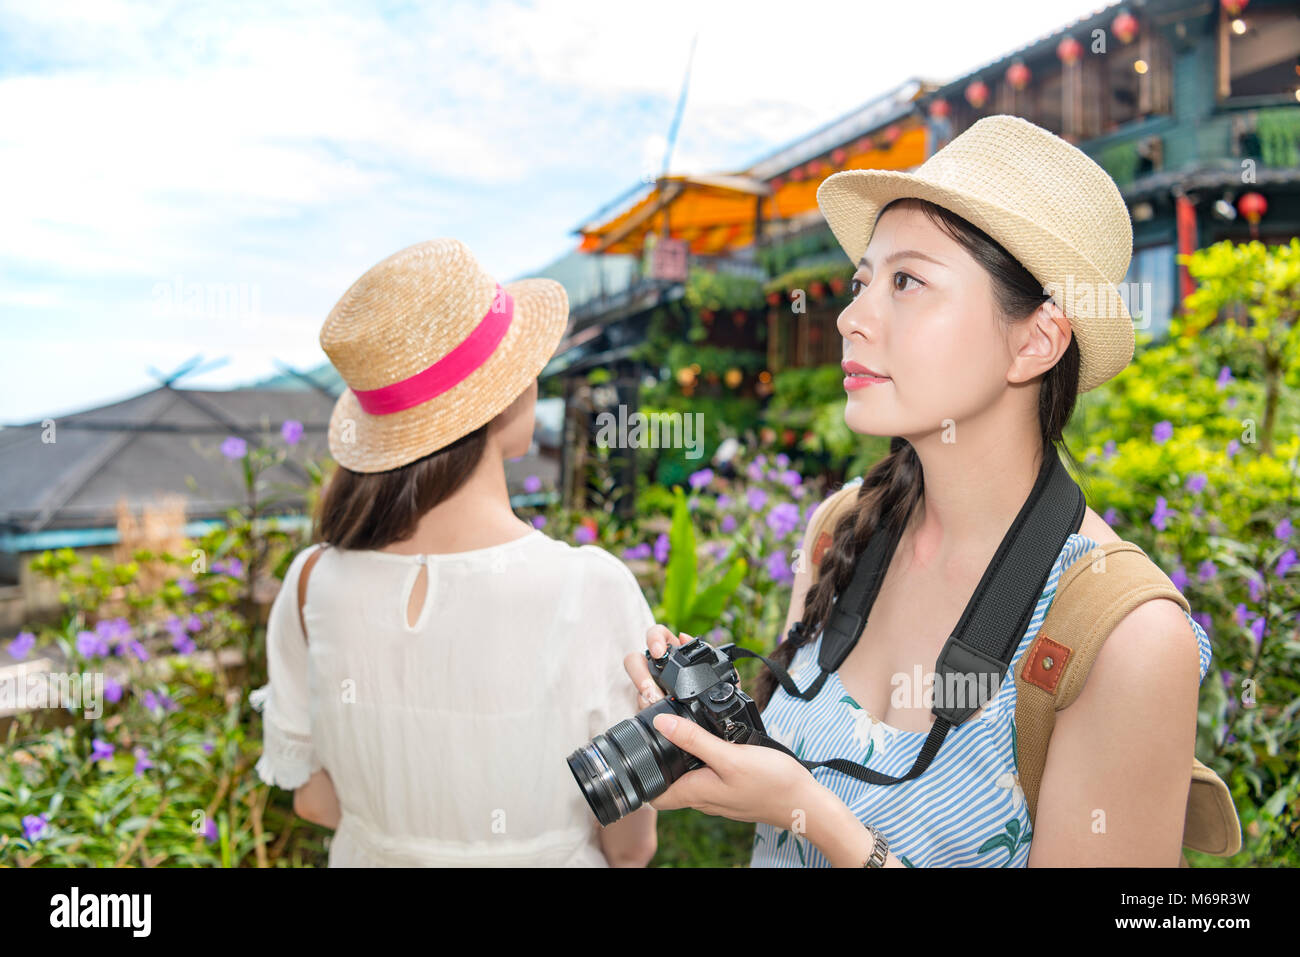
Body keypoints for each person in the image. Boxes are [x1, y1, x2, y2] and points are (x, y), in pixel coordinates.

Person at [624, 115, 1212, 867]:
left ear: (1036, 340)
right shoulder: (842, 529)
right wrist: (709, 718)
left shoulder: (1123, 634)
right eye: (864, 280)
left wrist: (820, 822)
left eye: (908, 281)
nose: (850, 317)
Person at [252, 238, 657, 866]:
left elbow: (314, 803)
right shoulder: (587, 587)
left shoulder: (310, 582)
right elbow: (630, 846)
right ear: (502, 396)